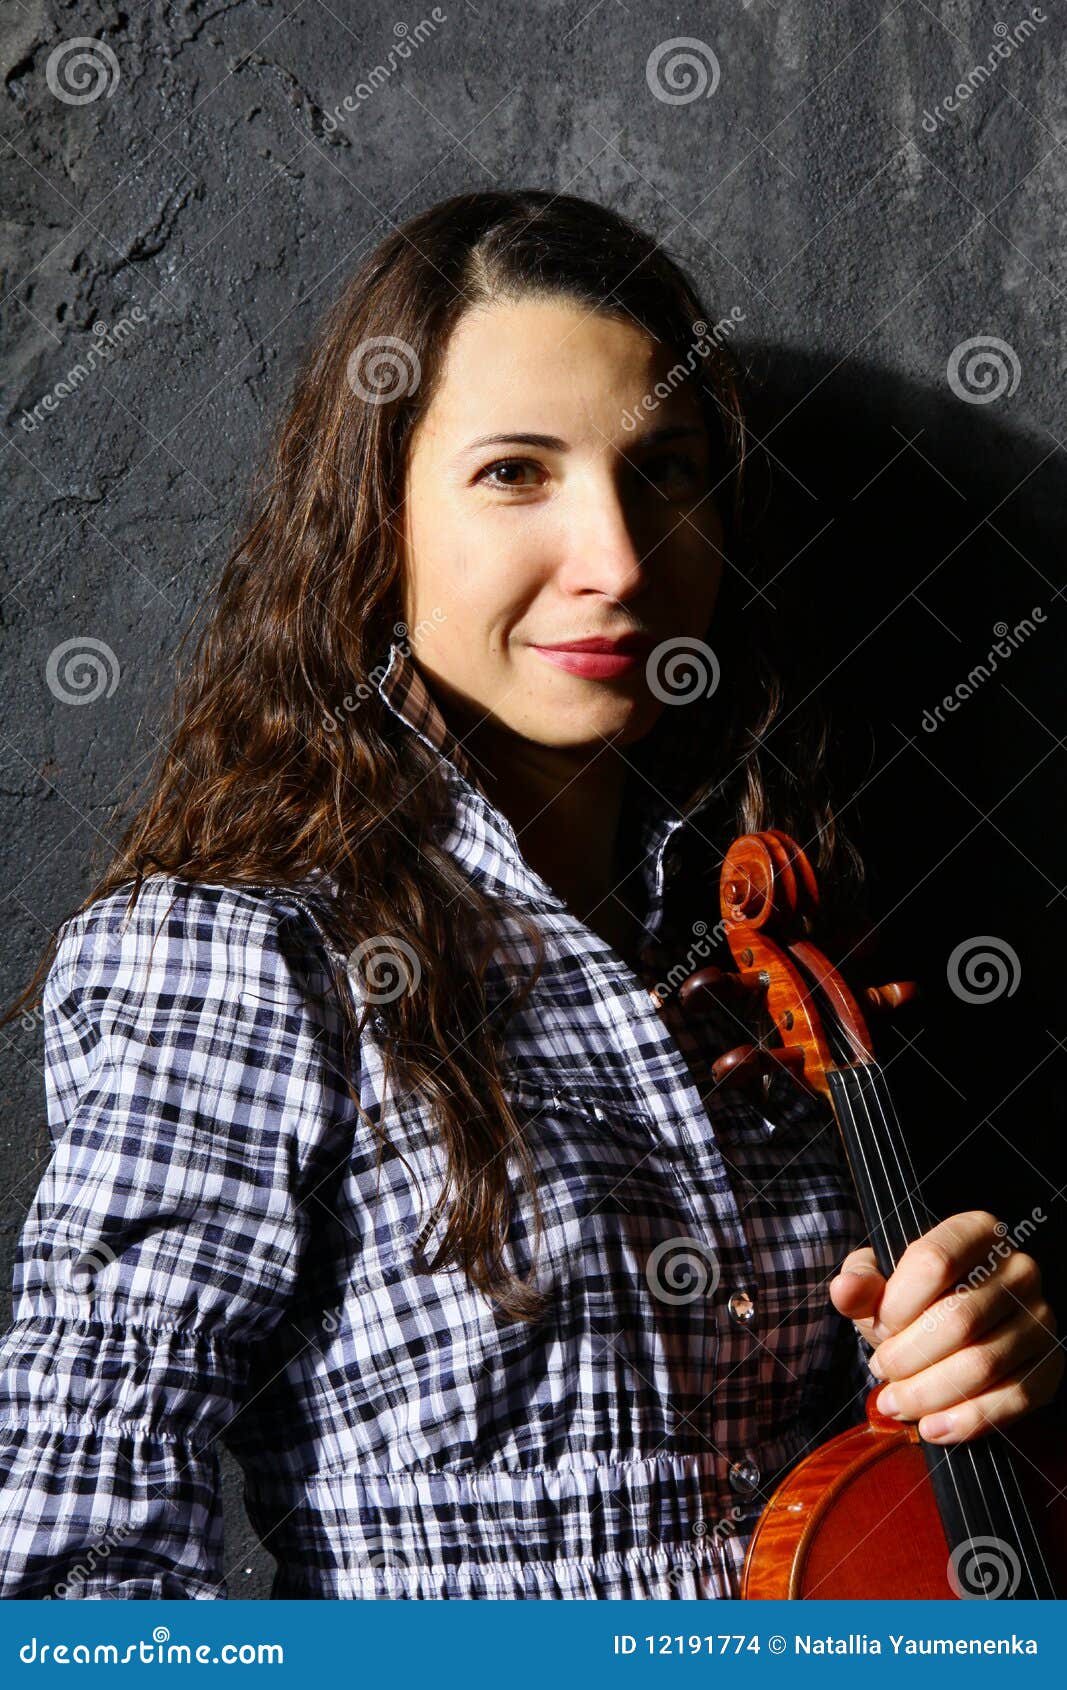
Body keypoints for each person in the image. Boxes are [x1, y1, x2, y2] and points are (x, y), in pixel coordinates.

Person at [0, 190, 1059, 1600]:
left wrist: (972, 1360)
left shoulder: (763, 934)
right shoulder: (244, 955)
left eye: (665, 469)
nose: (618, 562)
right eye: (516, 472)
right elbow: (69, 1580)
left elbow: (829, 1523)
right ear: (377, 515)